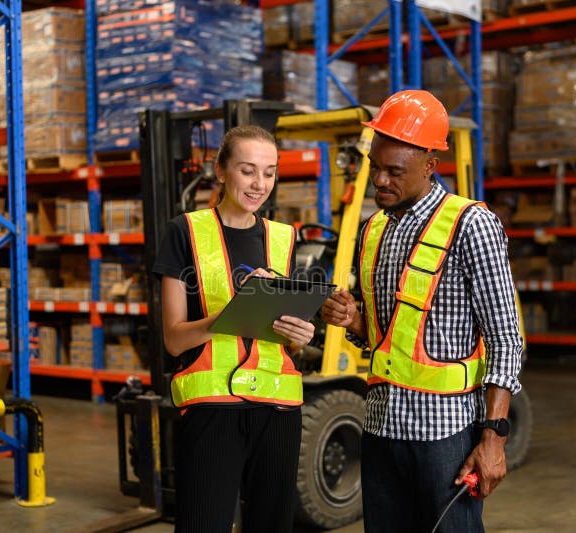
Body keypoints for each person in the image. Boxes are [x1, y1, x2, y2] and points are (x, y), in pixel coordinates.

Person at [321, 90, 523, 533]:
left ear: (431, 165)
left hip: (444, 436)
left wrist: (493, 438)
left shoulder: (471, 225)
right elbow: (387, 338)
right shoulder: (374, 230)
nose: (380, 180)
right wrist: (353, 320)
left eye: (395, 171)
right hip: (380, 427)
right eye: (375, 166)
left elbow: (506, 338)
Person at [152, 124, 315, 533]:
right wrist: (234, 311)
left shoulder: (284, 238)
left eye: (269, 172)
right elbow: (173, 340)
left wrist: (299, 335)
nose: (260, 184)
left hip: (278, 409)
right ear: (220, 171)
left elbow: (283, 343)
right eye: (248, 170)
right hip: (212, 409)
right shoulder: (184, 232)